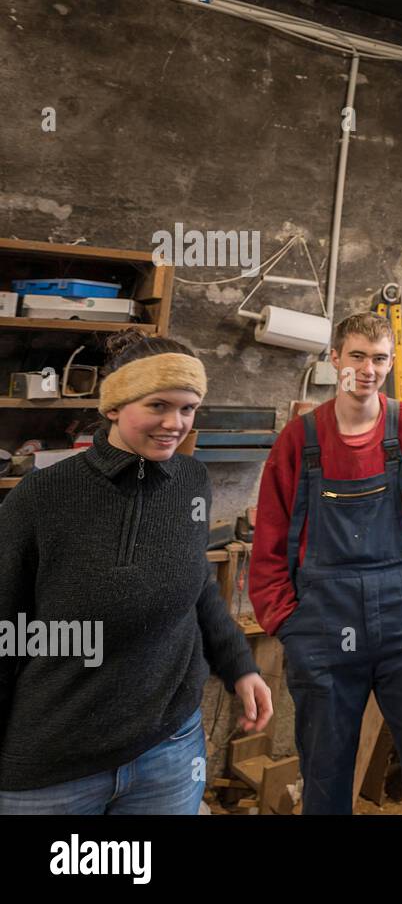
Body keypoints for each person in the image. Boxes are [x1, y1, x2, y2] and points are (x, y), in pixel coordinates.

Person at [0, 332, 270, 814]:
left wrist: (239, 665)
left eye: (188, 409)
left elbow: (197, 586)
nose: (175, 424)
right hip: (56, 761)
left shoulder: (191, 480)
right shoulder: (40, 498)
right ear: (114, 406)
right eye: (158, 406)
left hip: (167, 748)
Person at [251, 311, 402, 815]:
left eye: (380, 358)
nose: (368, 369)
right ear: (335, 360)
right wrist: (287, 623)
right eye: (358, 357)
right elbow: (269, 540)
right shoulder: (299, 440)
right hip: (323, 628)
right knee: (324, 772)